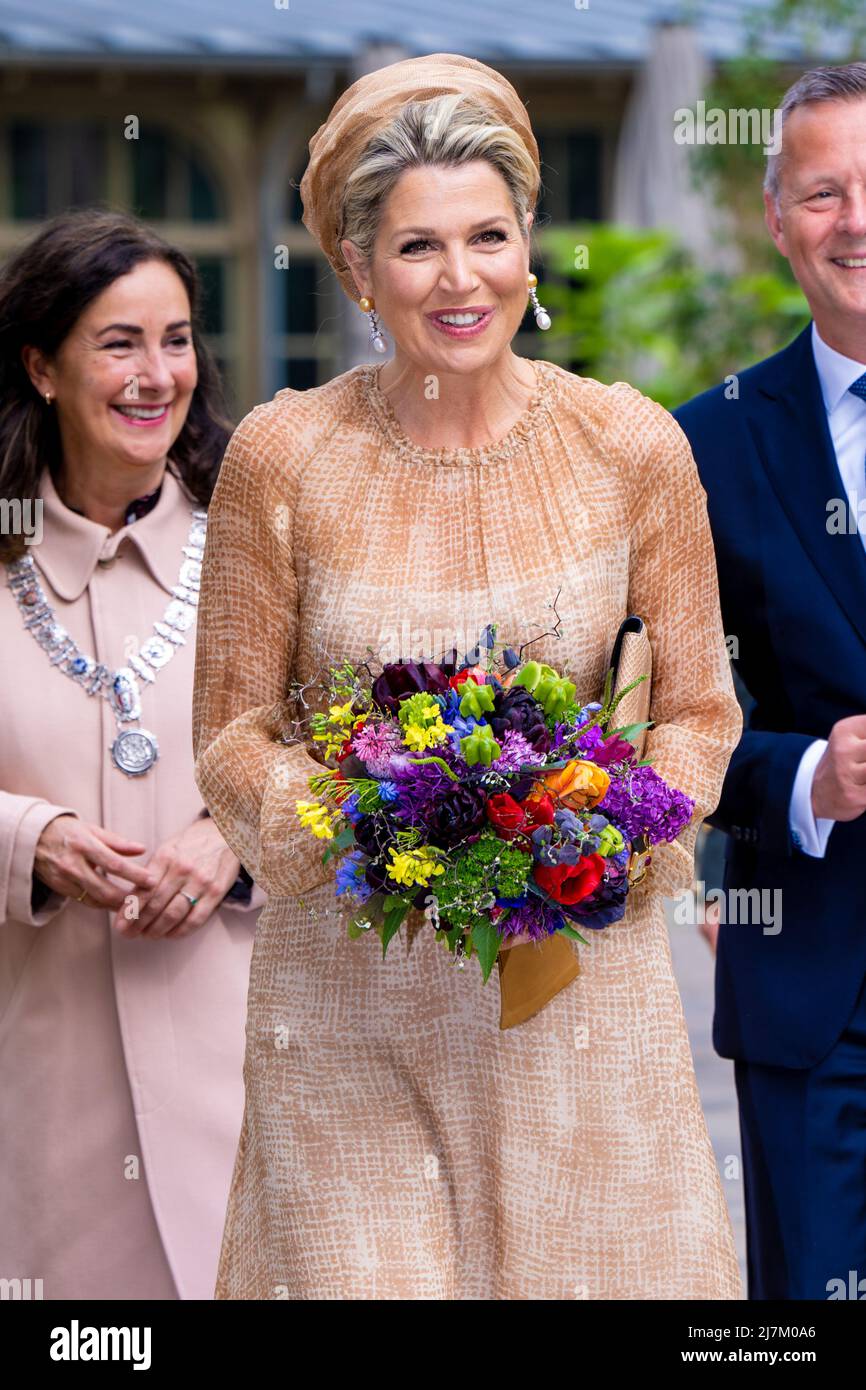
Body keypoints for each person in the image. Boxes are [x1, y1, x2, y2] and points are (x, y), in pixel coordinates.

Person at [192, 53, 743, 1300]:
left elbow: (700, 713)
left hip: (575, 1006)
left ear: (528, 242)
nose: (460, 279)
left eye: (486, 236)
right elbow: (229, 732)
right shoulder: (281, 457)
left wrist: (605, 834)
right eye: (416, 248)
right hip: (345, 1006)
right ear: (355, 270)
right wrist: (375, 827)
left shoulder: (629, 446)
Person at [0, 209, 263, 1300]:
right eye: (118, 343)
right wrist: (30, 837)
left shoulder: (261, 540)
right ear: (42, 366)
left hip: (255, 1091)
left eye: (177, 339)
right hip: (41, 1107)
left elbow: (352, 758)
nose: (158, 375)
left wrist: (232, 836)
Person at [674, 63, 866, 1300]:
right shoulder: (707, 440)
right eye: (821, 191)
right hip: (813, 994)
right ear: (775, 218)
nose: (853, 221)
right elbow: (661, 716)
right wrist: (802, 772)